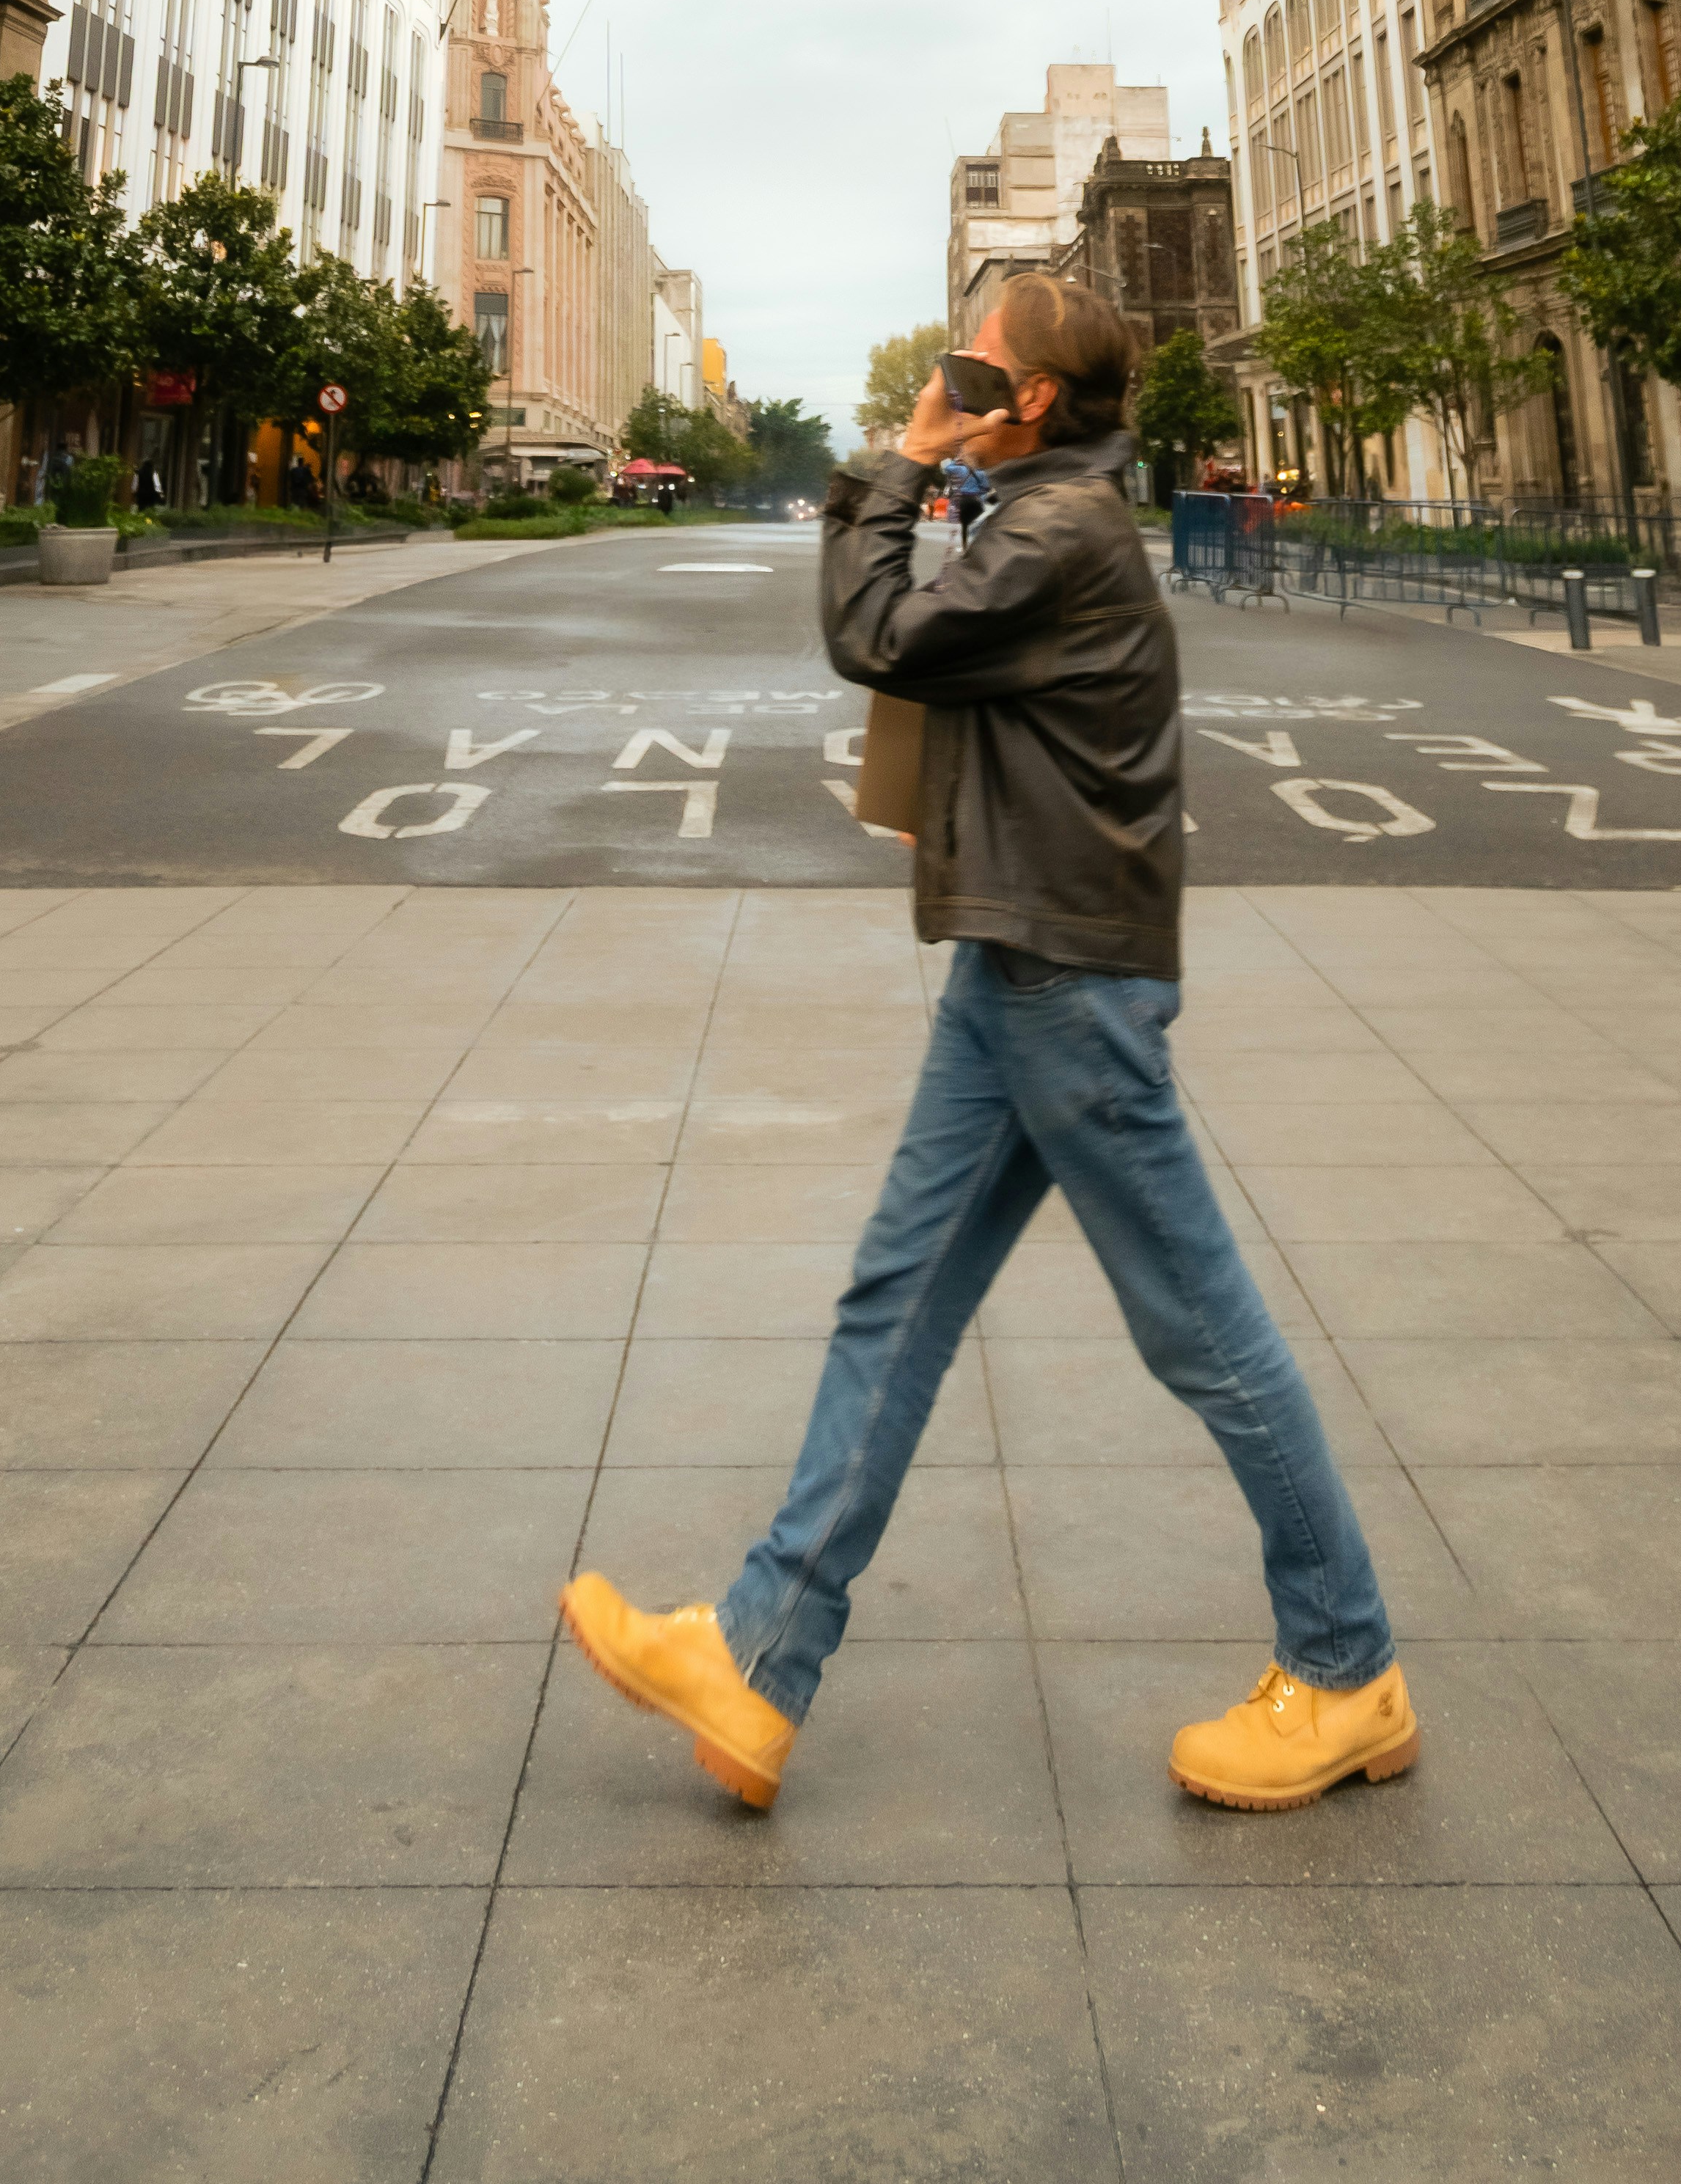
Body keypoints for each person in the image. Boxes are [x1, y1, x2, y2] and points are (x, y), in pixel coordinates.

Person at [559, 270, 1414, 1817]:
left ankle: (1346, 1665)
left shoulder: (1060, 529)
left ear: (1025, 400)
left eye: (971, 364)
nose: (947, 381)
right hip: (1021, 954)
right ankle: (760, 1653)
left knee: (1199, 1330)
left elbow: (874, 631)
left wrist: (894, 456)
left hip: (1066, 977)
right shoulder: (1048, 512)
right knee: (898, 1298)